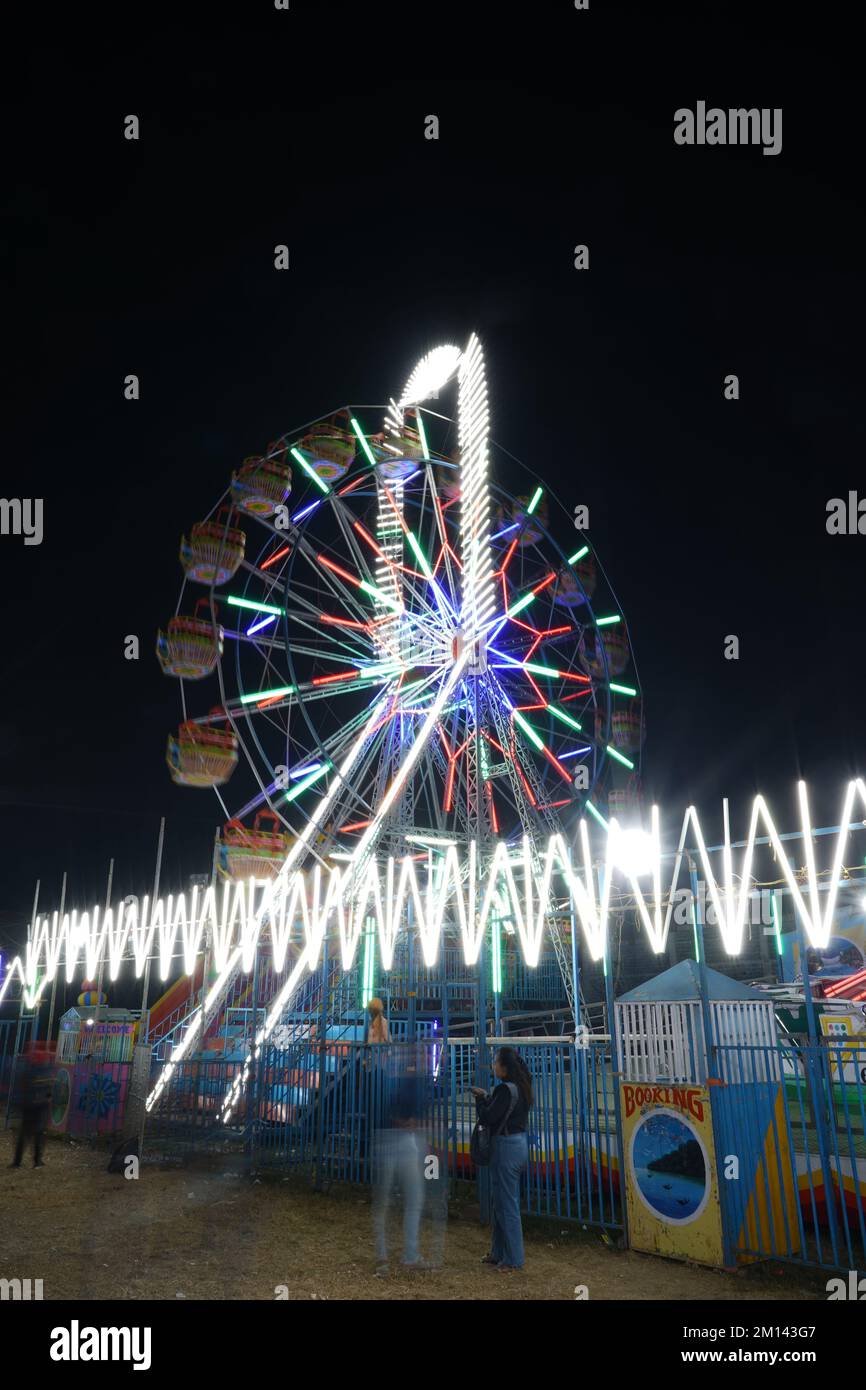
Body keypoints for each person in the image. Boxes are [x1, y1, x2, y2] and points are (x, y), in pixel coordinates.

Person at [470, 1046, 532, 1272]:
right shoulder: (522, 1087)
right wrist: (488, 1096)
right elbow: (502, 1111)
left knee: (507, 1205)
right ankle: (498, 1252)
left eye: (496, 1062)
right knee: (502, 1201)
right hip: (518, 1144)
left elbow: (488, 1117)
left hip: (505, 1148)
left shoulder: (505, 1090)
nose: (493, 1065)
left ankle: (513, 1259)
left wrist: (480, 1101)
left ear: (504, 1067)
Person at [372, 1042, 426, 1274]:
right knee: (413, 1200)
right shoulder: (414, 1082)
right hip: (404, 1140)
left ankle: (382, 1254)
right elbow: (414, 1117)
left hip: (384, 1140)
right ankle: (410, 1255)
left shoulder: (384, 1078)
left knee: (383, 1203)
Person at [11, 1042, 54, 1169]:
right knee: (39, 1134)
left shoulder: (26, 1069)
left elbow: (21, 1087)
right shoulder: (46, 1071)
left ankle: (17, 1162)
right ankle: (37, 1162)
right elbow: (49, 1091)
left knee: (24, 1134)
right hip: (40, 1106)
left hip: (28, 1105)